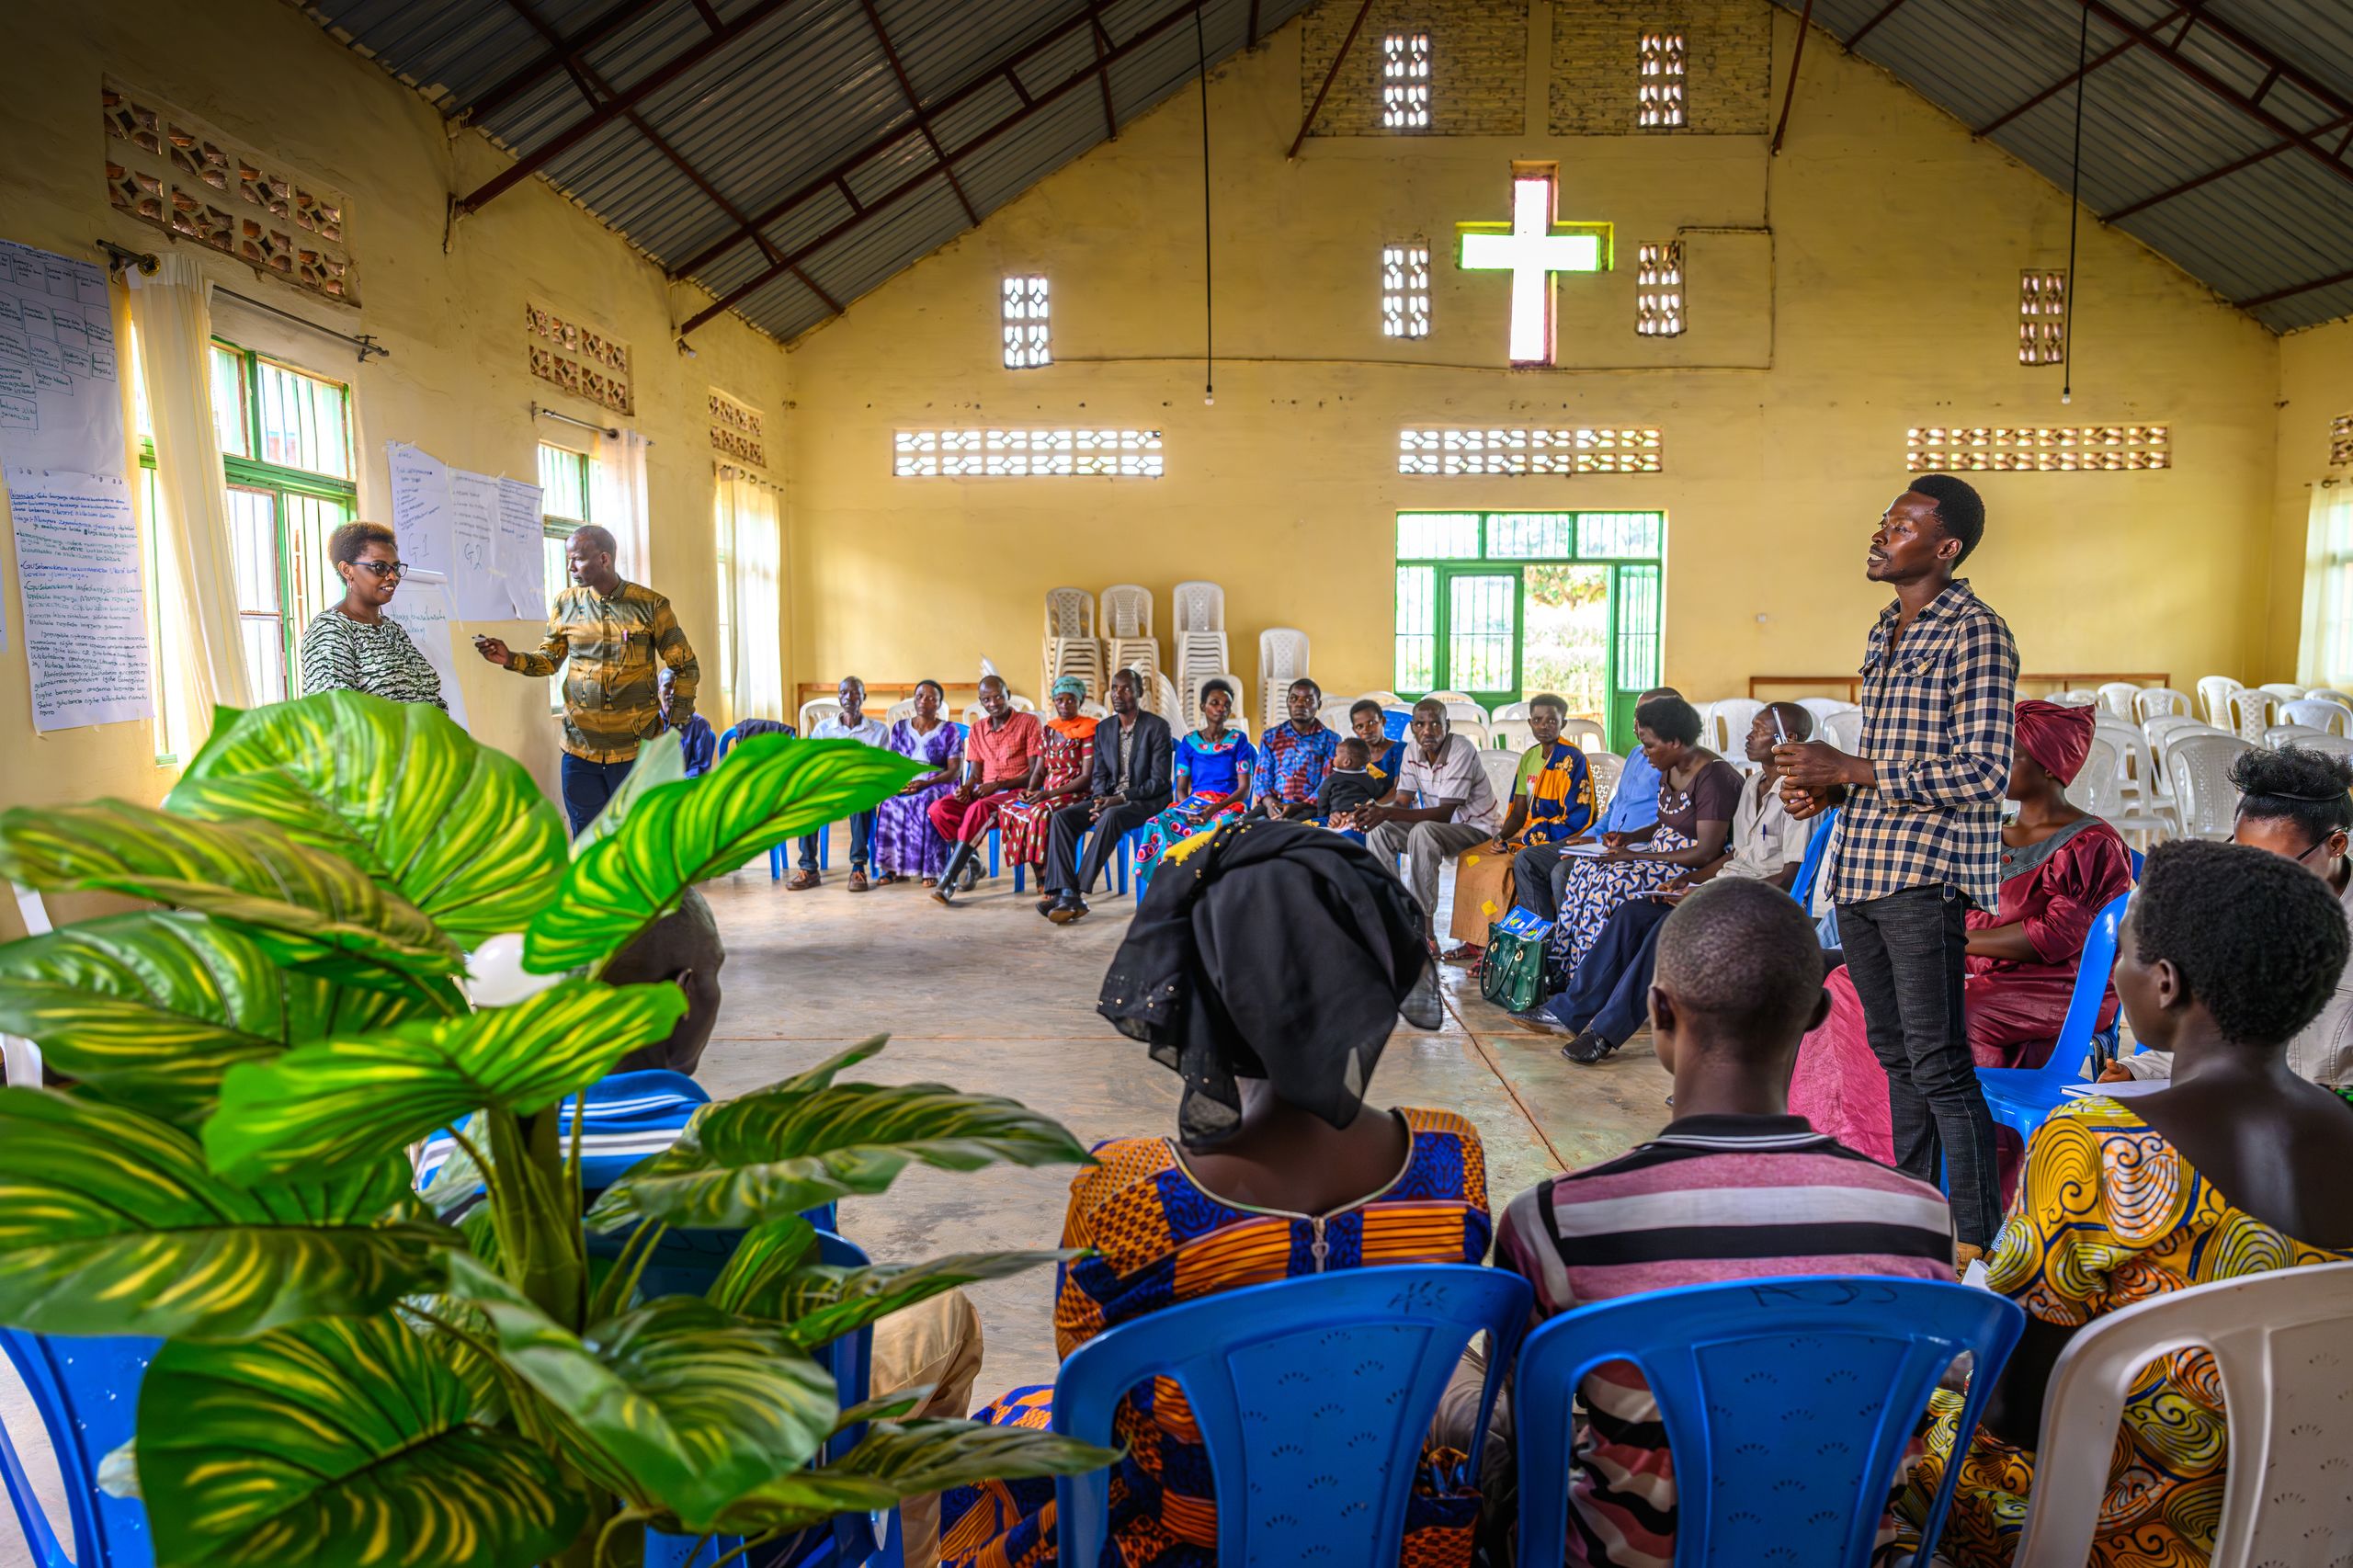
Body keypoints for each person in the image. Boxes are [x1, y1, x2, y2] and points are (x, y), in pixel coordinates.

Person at [939, 820, 1489, 1568]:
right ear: (1377, 975)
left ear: (1194, 992)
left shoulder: (1127, 1191)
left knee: (1001, 1435)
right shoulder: (1451, 1159)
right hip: (1399, 1536)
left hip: (1180, 1547)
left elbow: (1093, 1397)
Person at [1439, 878, 1955, 1566]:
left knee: (1455, 1380)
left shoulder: (1553, 1221)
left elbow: (1539, 1425)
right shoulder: (1918, 1214)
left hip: (1619, 1555)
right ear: (1818, 1014)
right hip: (1844, 1550)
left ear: (1657, 1010)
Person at [1891, 839, 2353, 1567]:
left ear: (2165, 983)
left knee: (1875, 1427)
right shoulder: (2342, 1126)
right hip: (2301, 1513)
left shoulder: (2102, 1147)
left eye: (2126, 954)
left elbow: (2016, 1410)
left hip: (2113, 1524)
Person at [1775, 475, 2017, 1258]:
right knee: (1894, 1058)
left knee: (1941, 1066)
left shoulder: (1977, 633)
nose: (1881, 534)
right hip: (1862, 868)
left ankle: (1978, 1247)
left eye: (1902, 525)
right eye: (1884, 521)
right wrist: (1830, 792)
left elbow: (1982, 771)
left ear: (1944, 548)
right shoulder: (1886, 629)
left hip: (1922, 876)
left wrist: (1849, 769)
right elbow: (1882, 764)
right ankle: (1915, 1221)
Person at [1792, 700, 2132, 1180]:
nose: (1992, 762)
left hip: (2059, 986)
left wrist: (1953, 941)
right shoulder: (1990, 828)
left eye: (2006, 753)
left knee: (1946, 1013)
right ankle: (1860, 1149)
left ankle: (1967, 1175)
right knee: (1851, 985)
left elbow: (2056, 937)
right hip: (1974, 965)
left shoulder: (2091, 843)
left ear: (2049, 766)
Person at [1518, 702, 1812, 1064]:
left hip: (1755, 901)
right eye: (1752, 728)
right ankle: (1571, 1009)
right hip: (1724, 886)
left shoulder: (1800, 793)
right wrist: (1689, 882)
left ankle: (1604, 1033)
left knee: (1666, 930)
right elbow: (1734, 857)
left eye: (1760, 730)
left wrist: (1711, 894)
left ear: (1789, 740)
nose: (1749, 736)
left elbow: (1791, 874)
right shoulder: (1753, 784)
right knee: (1631, 913)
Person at [2112, 744, 2353, 1089]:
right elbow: (2209, 1020)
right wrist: (2142, 1070)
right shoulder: (2237, 908)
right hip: (2247, 1106)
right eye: (2242, 855)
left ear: (2337, 845)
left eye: (2274, 863)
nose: (2255, 876)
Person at [476, 523, 699, 836]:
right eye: (568, 559)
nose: (570, 567)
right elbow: (549, 660)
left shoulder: (651, 605)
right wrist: (510, 658)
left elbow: (685, 667)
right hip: (580, 751)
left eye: (578, 559)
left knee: (638, 839)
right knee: (587, 842)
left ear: (604, 559)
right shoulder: (565, 604)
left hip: (636, 751)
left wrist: (676, 723)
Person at [1544, 693, 1742, 982]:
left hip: (1687, 866)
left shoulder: (1713, 777)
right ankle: (1564, 965)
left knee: (1608, 884)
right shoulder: (1670, 766)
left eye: (1649, 745)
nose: (1644, 752)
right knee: (1584, 871)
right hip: (1659, 853)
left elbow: (1705, 852)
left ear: (1674, 741)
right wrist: (1627, 837)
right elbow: (1664, 822)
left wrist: (1635, 855)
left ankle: (1594, 978)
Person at [1443, 694, 1598, 960]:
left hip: (1560, 836)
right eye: (1538, 720)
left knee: (1500, 868)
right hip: (1525, 834)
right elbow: (1518, 811)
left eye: (1552, 720)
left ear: (1563, 723)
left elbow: (1580, 818)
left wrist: (1532, 836)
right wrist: (1503, 835)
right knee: (1472, 858)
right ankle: (1475, 940)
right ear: (1530, 723)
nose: (1544, 725)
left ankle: (1499, 948)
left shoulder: (1573, 760)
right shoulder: (1529, 758)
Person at [1511, 687, 1679, 922]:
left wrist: (1603, 841)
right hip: (1601, 841)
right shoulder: (1635, 754)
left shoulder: (1672, 762)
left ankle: (1568, 946)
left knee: (1562, 872)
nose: (1637, 722)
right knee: (1527, 859)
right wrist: (1591, 836)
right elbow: (1615, 807)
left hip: (1633, 847)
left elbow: (1666, 823)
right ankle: (1540, 943)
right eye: (1636, 714)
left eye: (1646, 715)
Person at [1361, 699, 1504, 951]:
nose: (1428, 731)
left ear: (1446, 725)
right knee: (1380, 830)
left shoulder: (1461, 748)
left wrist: (1386, 812)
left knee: (1423, 830)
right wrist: (1376, 811)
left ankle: (1423, 929)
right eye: (1420, 724)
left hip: (1478, 830)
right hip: (1439, 829)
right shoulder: (1412, 751)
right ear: (1413, 728)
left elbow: (1444, 814)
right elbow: (1403, 800)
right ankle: (1396, 909)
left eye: (1435, 724)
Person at [1041, 667, 1174, 925]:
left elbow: (1159, 781)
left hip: (1145, 801)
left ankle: (1075, 892)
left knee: (1112, 816)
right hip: (1110, 799)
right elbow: (1099, 774)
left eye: (1125, 688)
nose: (1118, 693)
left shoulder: (1157, 727)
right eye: (1114, 688)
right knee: (1061, 818)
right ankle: (1063, 891)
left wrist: (1118, 800)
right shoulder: (1104, 729)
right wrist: (1100, 799)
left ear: (1139, 693)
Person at [297, 521, 446, 710]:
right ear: (347, 570)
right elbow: (334, 712)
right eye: (379, 567)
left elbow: (429, 696)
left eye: (395, 567)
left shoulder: (391, 629)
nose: (393, 576)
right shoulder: (331, 629)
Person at [927, 675, 1043, 904]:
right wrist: (966, 788)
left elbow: (1034, 774)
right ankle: (973, 863)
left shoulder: (1029, 723)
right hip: (985, 793)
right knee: (938, 809)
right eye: (987, 699)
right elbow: (976, 775)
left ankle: (947, 882)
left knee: (977, 809)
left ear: (1008, 696)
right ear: (981, 702)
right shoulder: (978, 729)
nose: (993, 704)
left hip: (1016, 793)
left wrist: (998, 785)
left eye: (998, 697)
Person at [1130, 678, 1256, 881]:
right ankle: (1165, 884)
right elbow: (1180, 788)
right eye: (1215, 702)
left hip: (1227, 805)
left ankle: (1210, 885)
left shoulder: (1238, 740)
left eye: (1226, 704)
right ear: (1203, 707)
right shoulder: (1189, 743)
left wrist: (1213, 810)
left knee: (1227, 825)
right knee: (1156, 823)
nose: (1221, 708)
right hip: (1193, 806)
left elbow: (1244, 789)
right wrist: (1190, 810)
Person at [997, 676, 1099, 911]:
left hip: (1075, 792)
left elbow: (1086, 777)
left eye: (1070, 700)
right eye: (1060, 700)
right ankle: (1039, 871)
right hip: (1049, 793)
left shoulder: (1087, 730)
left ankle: (1049, 880)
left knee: (1042, 813)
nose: (1065, 705)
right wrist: (1030, 790)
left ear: (1080, 701)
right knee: (1011, 809)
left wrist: (1046, 795)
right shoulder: (1049, 729)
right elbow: (1040, 769)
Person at [790, 676, 892, 892]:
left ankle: (858, 868)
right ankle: (808, 869)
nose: (849, 697)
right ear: (839, 697)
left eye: (855, 693)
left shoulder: (879, 731)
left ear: (863, 697)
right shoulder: (823, 730)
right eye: (844, 693)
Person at [874, 680, 966, 887]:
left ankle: (930, 868)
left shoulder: (949, 730)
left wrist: (925, 784)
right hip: (908, 779)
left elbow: (954, 771)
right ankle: (892, 868)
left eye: (931, 698)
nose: (924, 701)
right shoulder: (900, 728)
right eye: (920, 696)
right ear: (914, 700)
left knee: (927, 802)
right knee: (890, 803)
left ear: (939, 703)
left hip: (938, 782)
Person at [1250, 678, 1340, 819]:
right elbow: (1261, 777)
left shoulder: (1331, 739)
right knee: (1240, 830)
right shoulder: (1271, 736)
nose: (1300, 704)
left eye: (1308, 700)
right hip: (1274, 806)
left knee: (1287, 832)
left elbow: (1327, 782)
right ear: (1287, 702)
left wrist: (1300, 806)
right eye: (1294, 698)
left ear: (1319, 704)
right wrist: (1269, 803)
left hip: (1310, 808)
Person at [1317, 736, 1385, 825]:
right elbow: (1377, 796)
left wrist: (1323, 816)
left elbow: (1323, 800)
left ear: (1346, 762)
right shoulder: (1368, 779)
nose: (1333, 758)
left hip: (1335, 819)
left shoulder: (1332, 779)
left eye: (1336, 755)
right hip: (1360, 818)